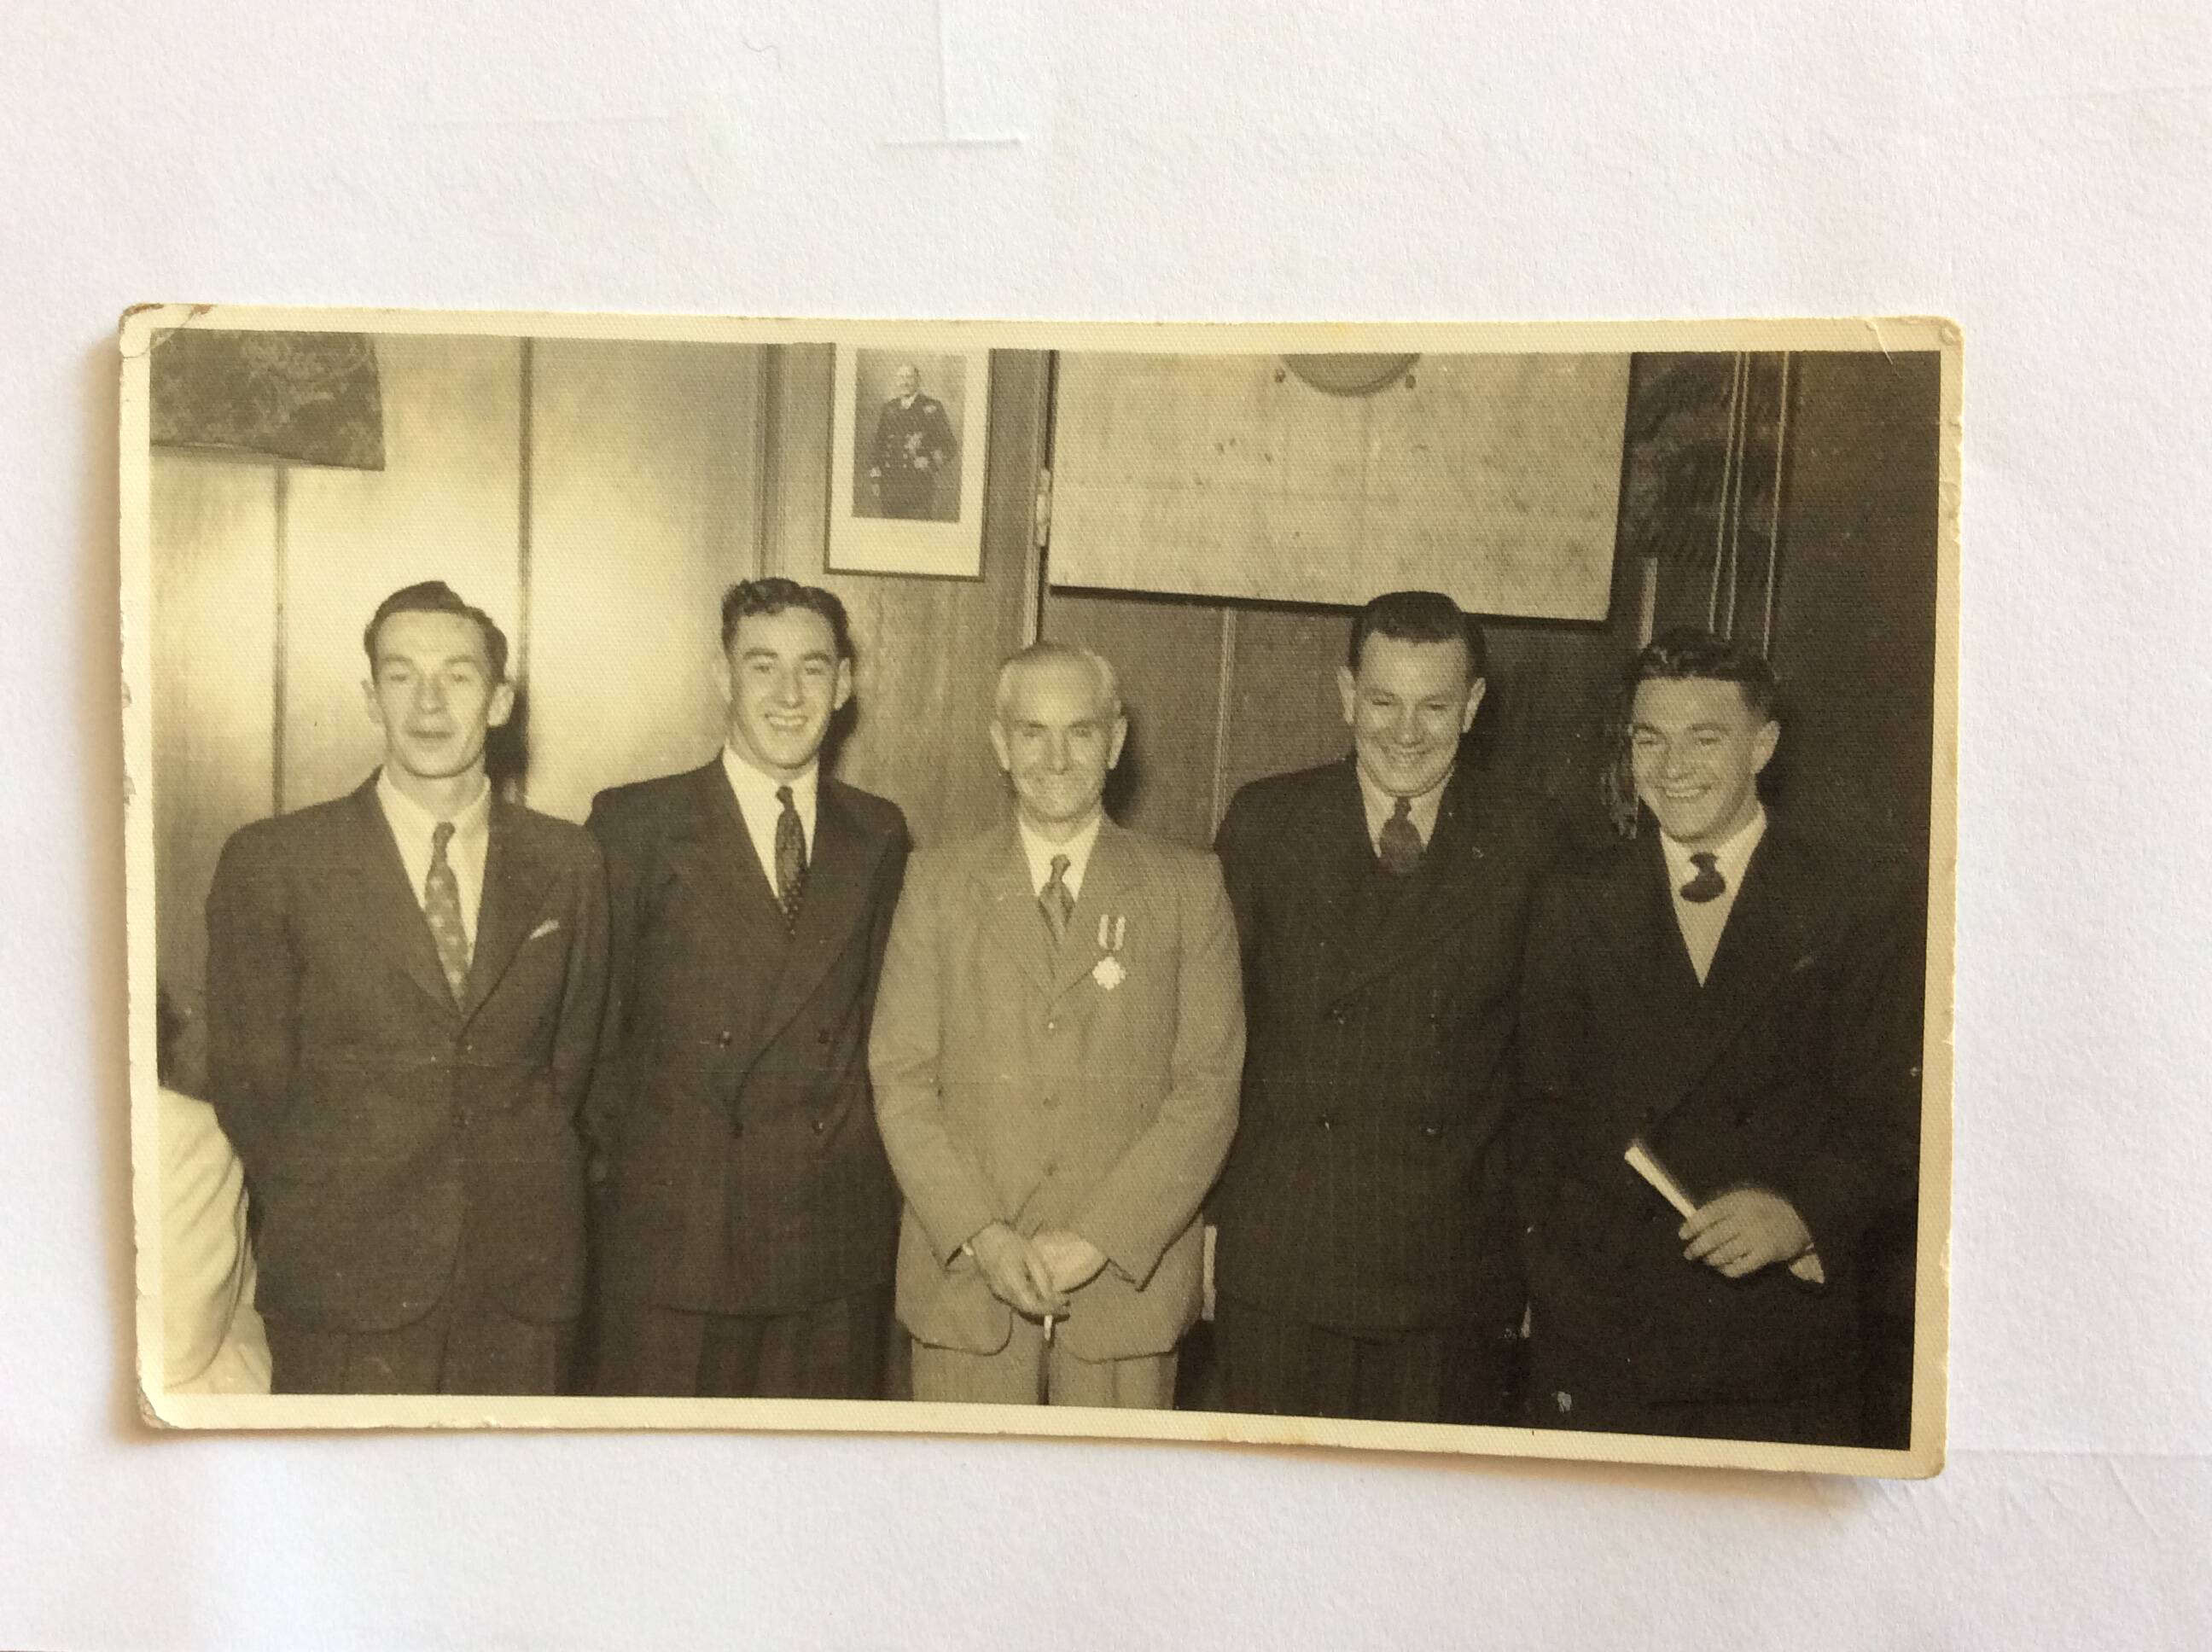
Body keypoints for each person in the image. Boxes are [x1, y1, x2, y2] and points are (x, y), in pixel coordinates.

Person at [1512, 629, 1919, 1446]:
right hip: (1604, 1335)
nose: (1673, 767)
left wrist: (1802, 1216)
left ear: (1763, 745)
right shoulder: (1575, 895)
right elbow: (1537, 1114)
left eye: (1706, 738)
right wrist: (1557, 1288)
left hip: (1777, 1339)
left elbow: (1894, 1111)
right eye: (1648, 739)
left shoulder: (1860, 896)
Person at [205, 581, 608, 1394]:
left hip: (523, 1280)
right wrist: (339, 1206)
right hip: (344, 1281)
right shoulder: (276, 861)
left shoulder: (569, 861)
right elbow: (251, 1088)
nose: (429, 703)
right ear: (369, 695)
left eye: (457, 676)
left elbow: (577, 1067)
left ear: (499, 702)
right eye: (401, 675)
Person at [1208, 590, 1568, 1424]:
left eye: (1435, 705)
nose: (1406, 732)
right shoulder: (1266, 822)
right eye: (1383, 701)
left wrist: (1527, 1265)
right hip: (1286, 1256)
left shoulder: (1531, 837)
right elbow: (1216, 1050)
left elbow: (1548, 1072)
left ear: (1474, 706)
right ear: (1345, 696)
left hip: (1449, 1270)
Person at [870, 643, 1243, 1406]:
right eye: (1032, 732)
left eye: (1080, 730)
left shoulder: (1188, 888)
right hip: (967, 1291)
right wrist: (984, 1234)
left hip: (1123, 1300)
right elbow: (901, 1083)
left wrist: (1098, 1240)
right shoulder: (935, 885)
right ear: (1000, 744)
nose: (1056, 756)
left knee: (1111, 1522)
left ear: (1116, 741)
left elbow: (1208, 1092)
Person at [585, 579, 910, 1399]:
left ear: (844, 684)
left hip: (829, 1245)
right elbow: (592, 1048)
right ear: (723, 678)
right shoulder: (636, 824)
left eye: (812, 668)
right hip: (677, 1248)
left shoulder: (879, 832)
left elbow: (884, 1034)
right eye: (762, 668)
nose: (789, 696)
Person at [867, 362, 957, 520]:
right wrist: (875, 477)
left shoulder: (932, 407)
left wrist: (930, 461)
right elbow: (878, 445)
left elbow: (949, 445)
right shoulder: (889, 408)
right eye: (901, 378)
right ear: (896, 381)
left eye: (909, 377)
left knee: (917, 535)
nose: (905, 382)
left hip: (918, 486)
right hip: (889, 486)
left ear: (918, 380)